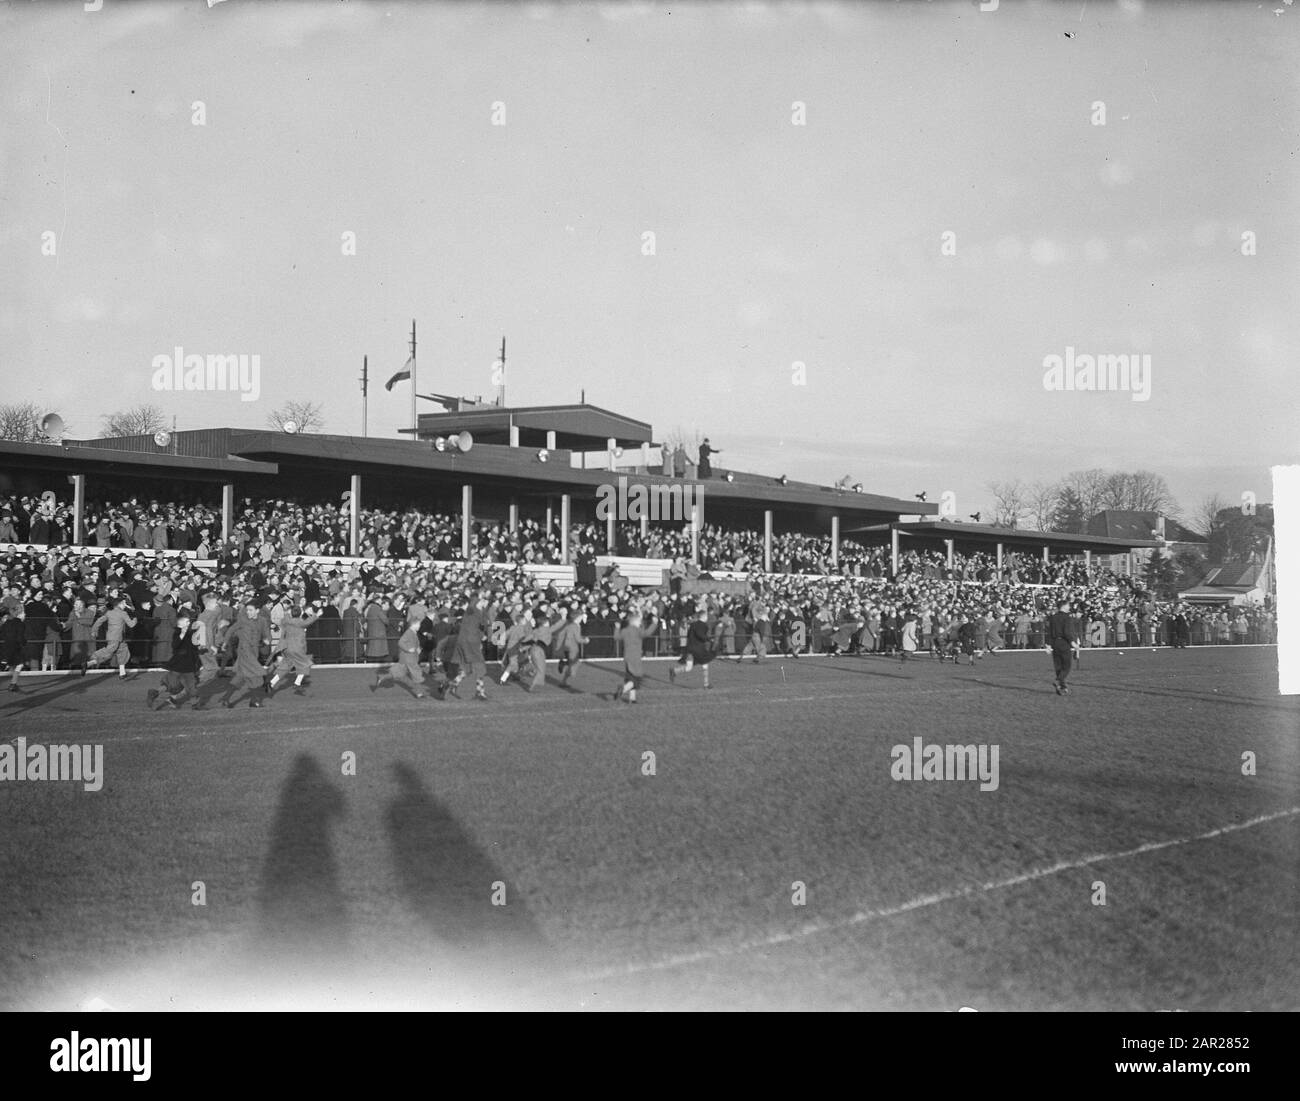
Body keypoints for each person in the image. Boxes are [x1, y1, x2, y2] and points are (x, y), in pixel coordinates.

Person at [147, 610, 202, 710]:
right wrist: (182, 633)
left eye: (189, 622)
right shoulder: (177, 633)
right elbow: (175, 645)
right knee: (175, 685)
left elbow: (194, 647)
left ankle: (194, 704)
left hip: (186, 664)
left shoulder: (189, 633)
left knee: (186, 684)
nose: (189, 624)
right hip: (181, 664)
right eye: (187, 622)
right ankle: (155, 693)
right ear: (180, 623)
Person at [449, 594, 491, 700]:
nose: (483, 603)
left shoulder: (470, 613)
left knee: (467, 668)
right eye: (481, 602)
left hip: (464, 642)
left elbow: (472, 628)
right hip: (470, 643)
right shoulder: (474, 614)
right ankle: (480, 692)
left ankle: (451, 685)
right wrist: (482, 636)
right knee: (480, 666)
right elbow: (475, 628)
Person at [613, 607, 658, 704]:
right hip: (635, 657)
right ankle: (623, 689)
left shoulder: (625, 630)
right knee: (637, 677)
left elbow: (616, 637)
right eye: (639, 622)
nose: (640, 624)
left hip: (627, 656)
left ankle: (632, 698)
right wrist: (654, 624)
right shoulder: (637, 631)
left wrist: (617, 628)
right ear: (635, 622)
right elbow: (646, 633)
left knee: (630, 677)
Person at [86, 597, 137, 679]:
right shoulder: (123, 613)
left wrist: (94, 630)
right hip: (117, 637)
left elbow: (99, 621)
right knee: (108, 651)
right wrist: (135, 619)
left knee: (123, 652)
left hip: (113, 637)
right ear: (120, 604)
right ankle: (94, 656)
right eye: (124, 603)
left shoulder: (109, 613)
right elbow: (131, 624)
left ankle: (122, 673)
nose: (125, 605)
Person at [669, 605, 716, 689]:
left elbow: (689, 636)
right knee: (705, 663)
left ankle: (674, 671)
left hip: (690, 649)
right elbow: (700, 635)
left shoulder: (693, 625)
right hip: (698, 649)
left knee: (689, 667)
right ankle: (706, 684)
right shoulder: (703, 625)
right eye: (706, 616)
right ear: (704, 617)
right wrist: (709, 639)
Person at [1046, 598, 1080, 695]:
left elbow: (1050, 632)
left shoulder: (1053, 617)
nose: (1069, 607)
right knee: (1067, 666)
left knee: (1058, 666)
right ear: (1064, 606)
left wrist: (1048, 645)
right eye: (1068, 605)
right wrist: (1072, 642)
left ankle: (1062, 687)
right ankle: (1058, 681)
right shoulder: (1067, 617)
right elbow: (1067, 631)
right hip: (1064, 643)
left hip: (1055, 643)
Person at [1, 605, 25, 691]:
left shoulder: (6, 623)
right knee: (20, 664)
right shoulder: (20, 623)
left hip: (6, 646)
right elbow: (20, 637)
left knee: (12, 665)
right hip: (15, 647)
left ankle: (13, 683)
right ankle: (13, 684)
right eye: (23, 612)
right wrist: (24, 643)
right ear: (20, 613)